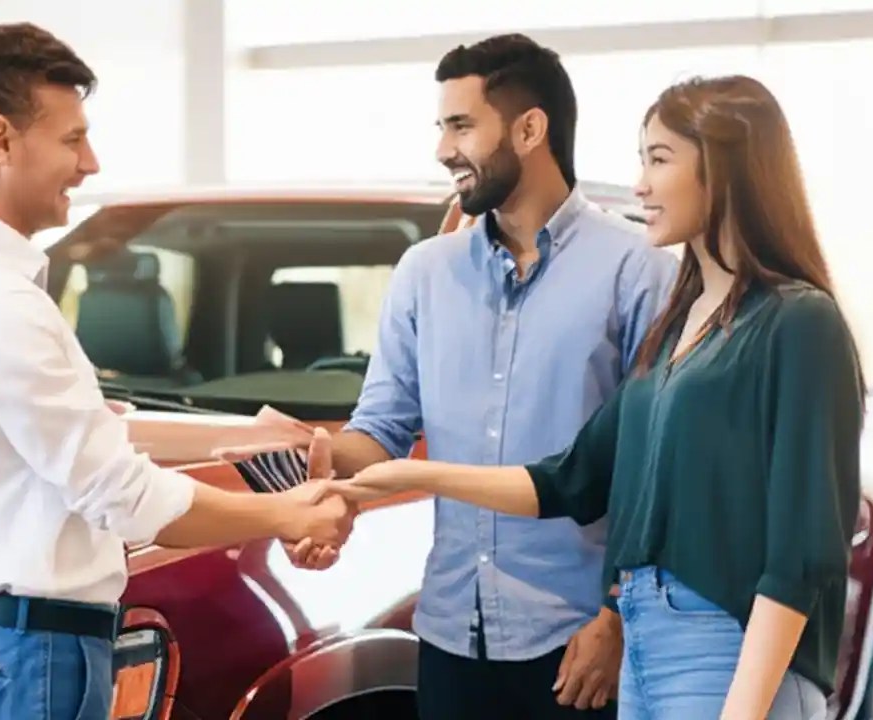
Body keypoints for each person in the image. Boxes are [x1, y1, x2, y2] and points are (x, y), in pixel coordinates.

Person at [331, 74, 863, 720]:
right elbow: (570, 478)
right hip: (648, 652)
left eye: (659, 160)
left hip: (725, 651)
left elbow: (802, 555)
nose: (640, 185)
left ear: (727, 170)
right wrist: (408, 474)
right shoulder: (679, 325)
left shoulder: (798, 322)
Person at [0, 22, 353, 720]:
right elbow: (122, 494)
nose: (91, 162)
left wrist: (243, 433)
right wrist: (286, 510)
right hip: (25, 663)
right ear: (1, 140)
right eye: (72, 139)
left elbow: (90, 428)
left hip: (1, 656)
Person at [233, 33, 679, 719]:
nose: (444, 148)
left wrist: (617, 620)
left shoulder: (637, 271)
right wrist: (311, 474)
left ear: (531, 128)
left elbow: (658, 474)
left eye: (461, 125)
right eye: (442, 126)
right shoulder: (426, 273)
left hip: (577, 641)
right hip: (449, 639)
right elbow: (379, 429)